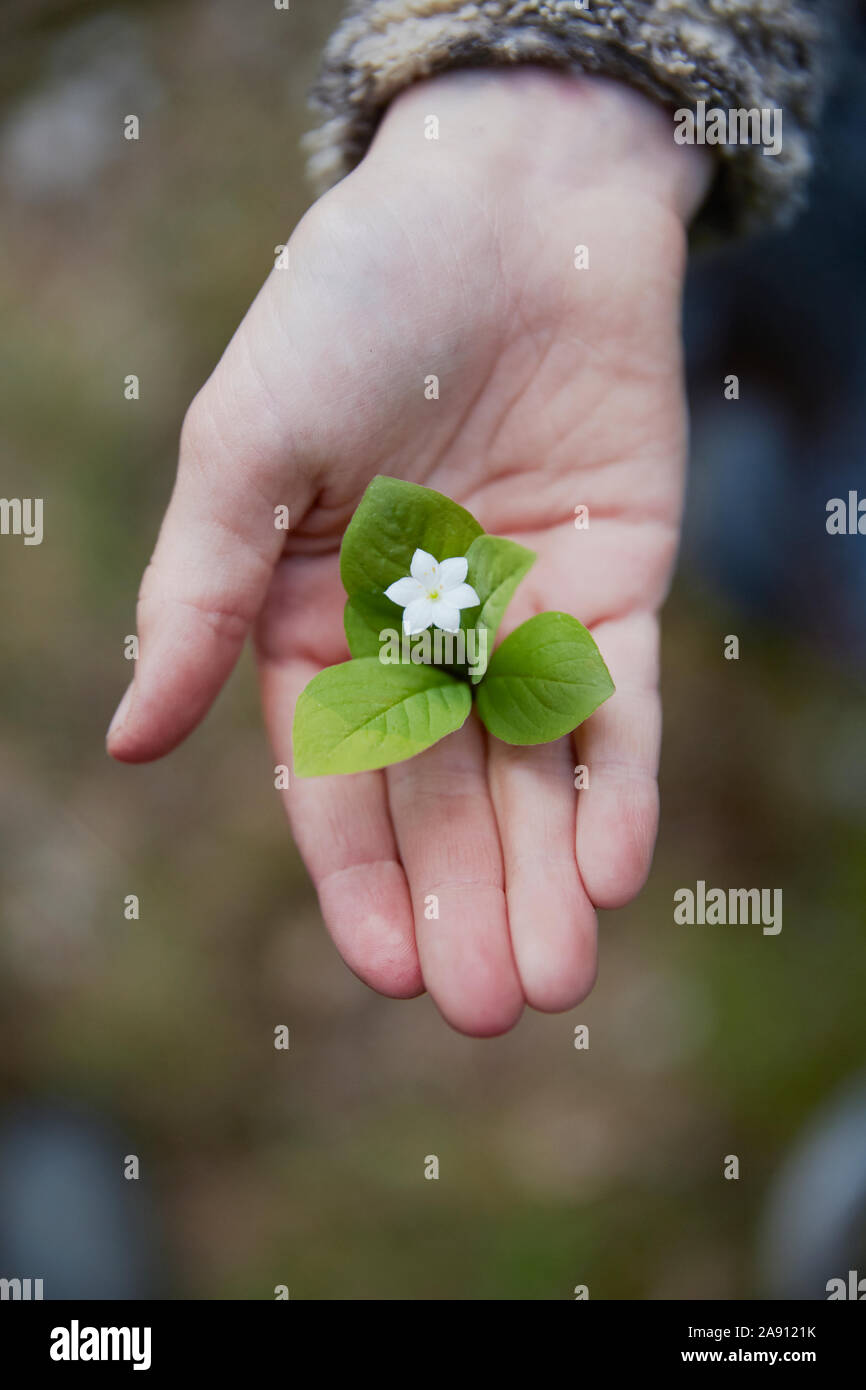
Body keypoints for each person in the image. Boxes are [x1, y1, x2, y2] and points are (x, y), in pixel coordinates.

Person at [106, 2, 825, 1036]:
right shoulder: (432, 610)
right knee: (765, 511)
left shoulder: (442, 596)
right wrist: (557, 109)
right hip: (745, 175)